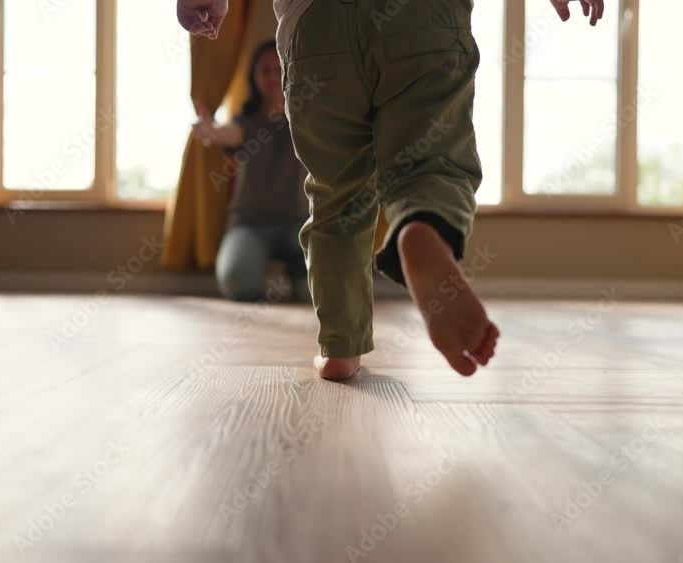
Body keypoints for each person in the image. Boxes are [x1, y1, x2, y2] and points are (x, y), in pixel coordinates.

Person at [177, 0, 604, 379]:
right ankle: (421, 224)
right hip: (424, 19)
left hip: (316, 28)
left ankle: (340, 347)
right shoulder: (251, 120)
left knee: (336, 196)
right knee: (432, 162)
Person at [191, 40, 310, 302]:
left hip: (303, 226)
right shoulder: (247, 122)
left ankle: (301, 275)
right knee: (238, 284)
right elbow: (228, 135)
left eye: (279, 69)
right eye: (265, 70)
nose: (272, 77)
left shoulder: (310, 118)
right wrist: (210, 132)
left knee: (317, 292)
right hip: (250, 226)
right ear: (254, 77)